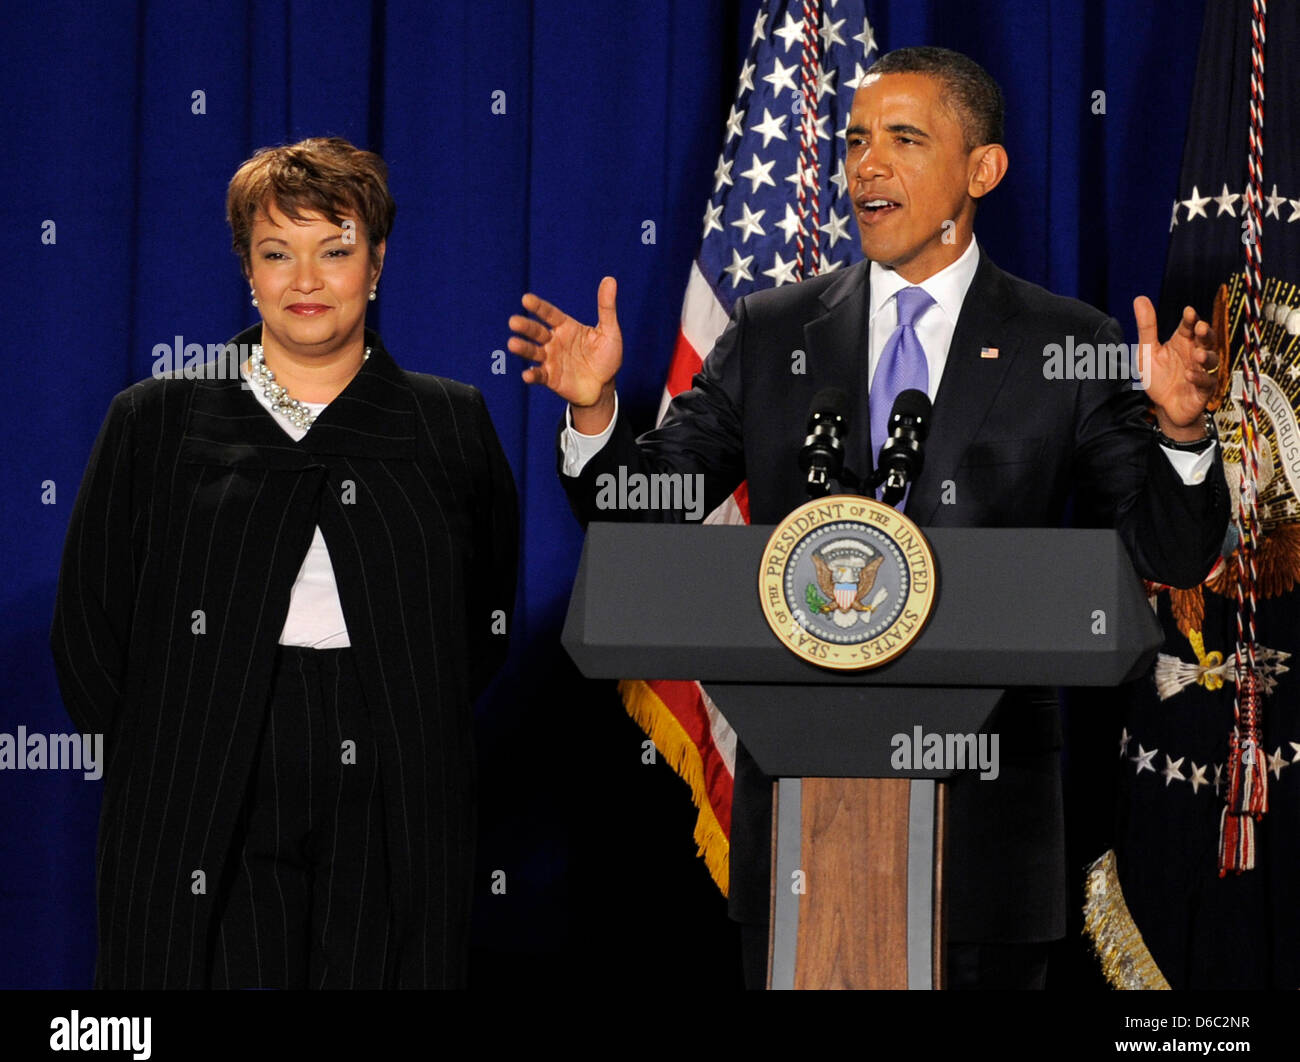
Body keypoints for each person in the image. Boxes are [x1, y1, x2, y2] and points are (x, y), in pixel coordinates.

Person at [508, 47, 1229, 989]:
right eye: (854, 141)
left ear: (982, 170)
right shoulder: (772, 331)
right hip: (799, 833)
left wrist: (1180, 432)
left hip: (984, 839)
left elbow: (1166, 548)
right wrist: (597, 417)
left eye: (903, 139)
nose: (865, 166)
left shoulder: (1071, 341)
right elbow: (646, 511)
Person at [50, 136, 518, 989]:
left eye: (334, 251)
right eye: (277, 253)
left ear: (374, 266)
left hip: (394, 772)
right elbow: (88, 625)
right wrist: (168, 746)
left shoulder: (449, 421)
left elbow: (479, 617)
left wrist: (396, 713)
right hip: (201, 766)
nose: (306, 281)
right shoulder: (155, 421)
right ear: (248, 270)